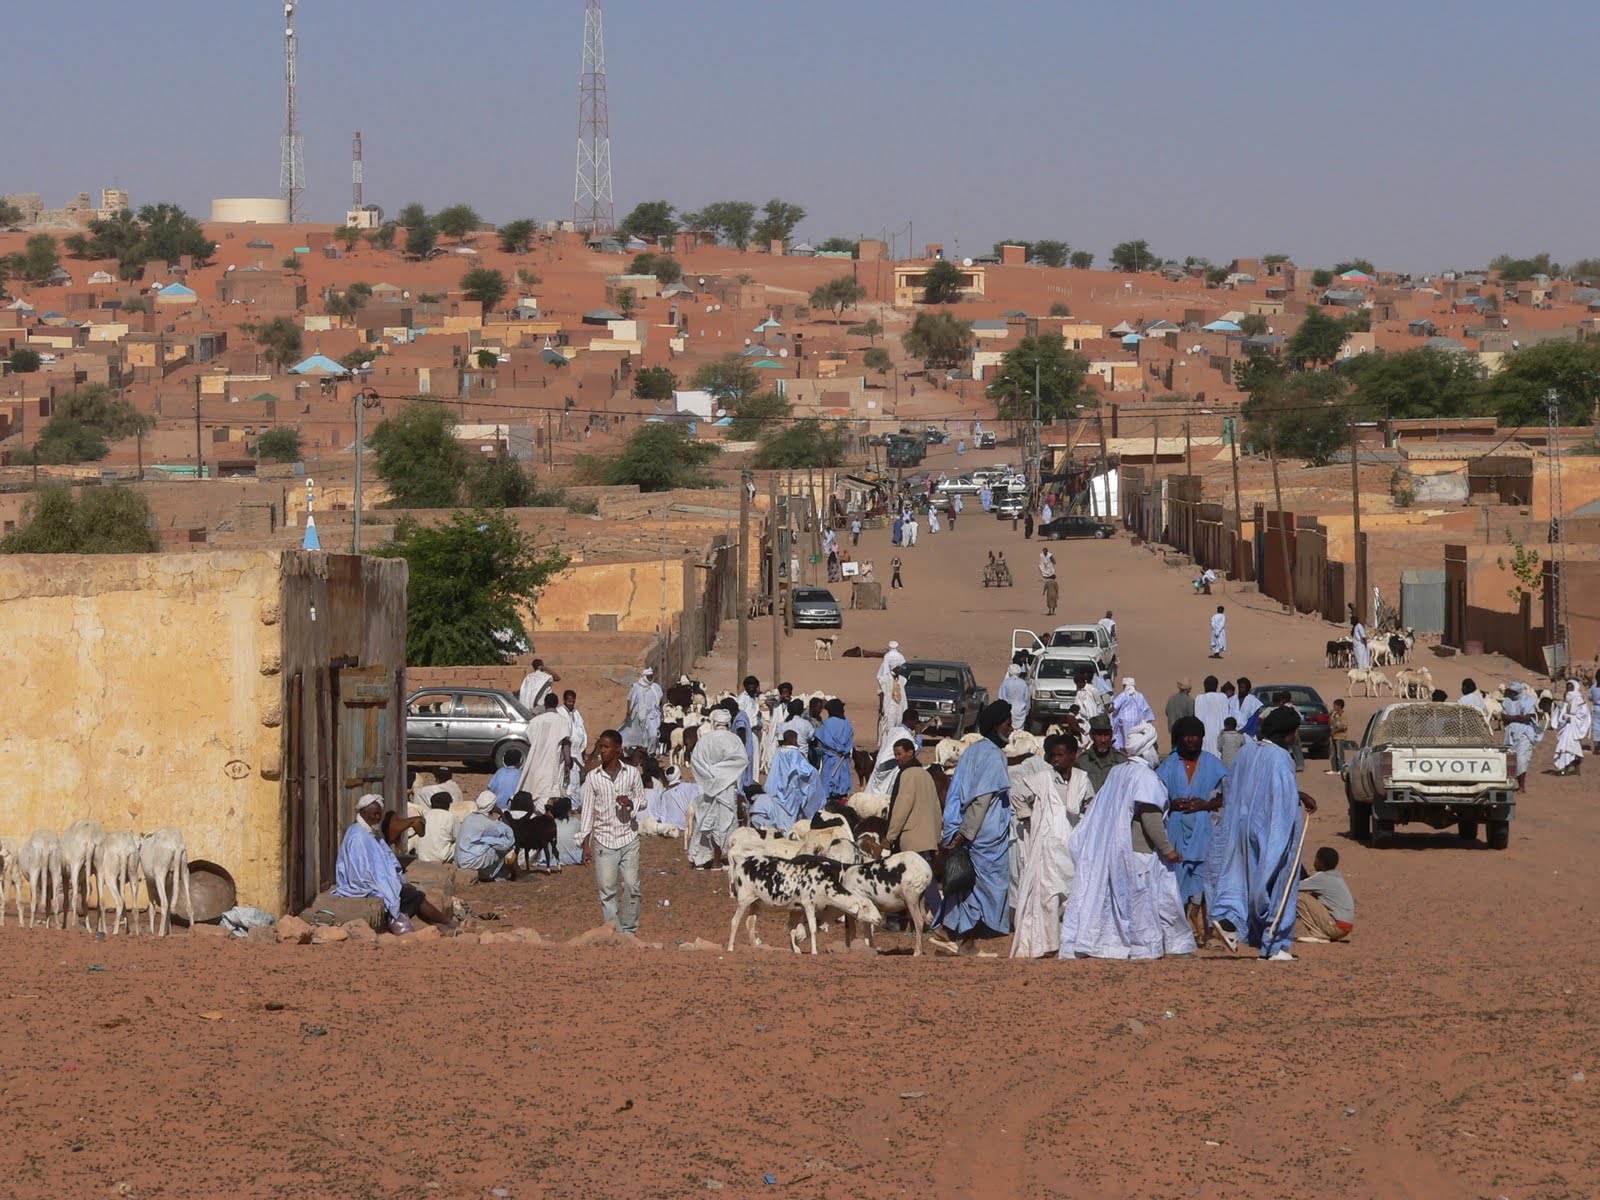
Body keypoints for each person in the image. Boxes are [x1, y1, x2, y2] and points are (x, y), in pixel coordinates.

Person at [1058, 748, 1197, 961]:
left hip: (1116, 849)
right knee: (1143, 901)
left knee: (1121, 901)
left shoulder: (1118, 771)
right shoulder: (1145, 777)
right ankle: (1145, 948)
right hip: (1139, 850)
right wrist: (1168, 849)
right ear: (1147, 749)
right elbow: (1151, 819)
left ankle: (1118, 945)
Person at [1207, 707, 1313, 961]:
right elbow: (1282, 797)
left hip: (1239, 828)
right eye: (1295, 731)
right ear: (1287, 733)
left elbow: (1232, 786)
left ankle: (1231, 920)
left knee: (1241, 877)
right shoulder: (1281, 758)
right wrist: (1287, 831)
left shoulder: (1246, 752)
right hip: (1270, 828)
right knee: (1278, 880)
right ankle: (1275, 944)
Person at [931, 701, 1015, 955]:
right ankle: (959, 937)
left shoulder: (973, 751)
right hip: (984, 837)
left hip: (972, 833)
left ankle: (951, 935)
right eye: (1008, 724)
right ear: (996, 726)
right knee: (985, 889)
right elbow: (981, 800)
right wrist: (964, 835)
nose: (1012, 730)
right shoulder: (992, 755)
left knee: (968, 886)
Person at [1011, 733, 1093, 958]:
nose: (1056, 759)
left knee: (1072, 897)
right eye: (1053, 755)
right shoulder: (1042, 779)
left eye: (1061, 755)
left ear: (1073, 756)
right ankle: (1049, 944)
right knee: (1048, 898)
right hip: (1047, 847)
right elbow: (1018, 796)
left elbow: (1090, 806)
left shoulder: (1082, 779)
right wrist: (1030, 819)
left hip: (1073, 847)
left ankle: (1070, 942)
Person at [333, 794, 452, 935]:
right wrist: (387, 884)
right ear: (363, 813)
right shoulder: (358, 836)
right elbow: (360, 872)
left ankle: (442, 925)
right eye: (374, 814)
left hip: (378, 880)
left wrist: (394, 880)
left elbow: (385, 859)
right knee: (414, 896)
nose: (377, 818)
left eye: (379, 814)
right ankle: (448, 923)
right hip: (365, 884)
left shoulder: (369, 831)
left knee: (411, 893)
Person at [1156, 716, 1227, 943]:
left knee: (1207, 882)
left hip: (1205, 830)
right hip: (1176, 829)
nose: (1191, 740)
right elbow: (1155, 795)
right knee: (1176, 883)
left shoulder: (1213, 763)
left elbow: (1230, 795)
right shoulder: (1168, 764)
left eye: (1195, 735)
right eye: (1186, 735)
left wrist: (1205, 804)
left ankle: (1211, 932)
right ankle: (1181, 933)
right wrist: (1171, 804)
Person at [579, 730, 645, 935]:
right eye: (601, 747)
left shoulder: (632, 773)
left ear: (618, 749)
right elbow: (587, 811)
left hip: (628, 837)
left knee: (632, 886)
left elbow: (643, 801)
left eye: (607, 747)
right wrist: (585, 844)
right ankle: (612, 929)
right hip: (604, 840)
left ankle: (629, 930)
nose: (602, 752)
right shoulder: (593, 778)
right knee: (607, 890)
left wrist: (631, 802)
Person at [687, 706, 747, 868]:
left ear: (714, 722)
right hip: (726, 789)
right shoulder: (735, 740)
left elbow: (696, 763)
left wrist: (712, 775)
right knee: (724, 823)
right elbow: (741, 761)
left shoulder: (704, 741)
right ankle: (717, 861)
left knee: (707, 821)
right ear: (728, 723)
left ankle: (702, 859)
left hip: (709, 787)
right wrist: (723, 776)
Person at [751, 730, 824, 829]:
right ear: (793, 740)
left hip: (777, 791)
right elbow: (806, 772)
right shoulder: (794, 754)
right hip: (792, 794)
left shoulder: (779, 752)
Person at [517, 692, 572, 810]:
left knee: (536, 789)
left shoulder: (536, 721)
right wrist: (568, 762)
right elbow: (566, 743)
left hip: (536, 762)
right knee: (550, 790)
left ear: (545, 704)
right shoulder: (562, 721)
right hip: (552, 763)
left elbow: (528, 739)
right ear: (557, 704)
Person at [1296, 847, 1356, 943]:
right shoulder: (1336, 876)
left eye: (1316, 858)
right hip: (1344, 928)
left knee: (1299, 896)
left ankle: (1317, 934)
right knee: (1310, 896)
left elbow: (1295, 887)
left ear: (1321, 862)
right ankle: (1323, 933)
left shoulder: (1321, 878)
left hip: (1336, 927)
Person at [455, 791, 517, 881]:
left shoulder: (469, 818)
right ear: (492, 806)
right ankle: (512, 874)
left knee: (491, 842)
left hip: (460, 859)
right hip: (471, 861)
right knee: (508, 847)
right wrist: (501, 813)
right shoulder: (487, 823)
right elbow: (510, 836)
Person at [866, 711, 922, 794]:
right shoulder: (904, 734)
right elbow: (914, 752)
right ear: (910, 721)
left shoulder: (894, 730)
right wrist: (919, 735)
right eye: (916, 722)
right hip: (890, 769)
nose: (916, 724)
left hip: (881, 767)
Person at [816, 698, 856, 803]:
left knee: (827, 786)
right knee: (842, 788)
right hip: (843, 761)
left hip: (830, 761)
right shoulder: (847, 724)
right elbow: (849, 742)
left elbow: (821, 740)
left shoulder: (826, 724)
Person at [1501, 681, 1538, 791]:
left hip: (1524, 734)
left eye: (1514, 692)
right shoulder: (1507, 702)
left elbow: (1528, 717)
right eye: (1511, 692)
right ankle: (1511, 784)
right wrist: (1517, 717)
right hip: (1510, 733)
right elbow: (1503, 716)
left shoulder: (1528, 701)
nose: (1512, 694)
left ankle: (1522, 786)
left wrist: (1511, 718)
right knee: (1511, 759)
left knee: (1521, 760)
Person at [1078, 714, 1127, 791]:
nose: (1103, 740)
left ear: (1111, 735)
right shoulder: (1082, 762)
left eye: (1106, 735)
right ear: (1091, 736)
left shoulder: (1121, 761)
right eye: (1099, 735)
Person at [620, 667, 664, 752]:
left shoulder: (655, 687)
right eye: (648, 676)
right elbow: (629, 699)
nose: (650, 678)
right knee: (638, 735)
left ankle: (651, 752)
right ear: (644, 676)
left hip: (653, 715)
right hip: (639, 715)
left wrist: (661, 712)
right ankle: (641, 752)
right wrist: (628, 710)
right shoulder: (636, 687)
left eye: (651, 676)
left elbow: (660, 700)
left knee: (653, 735)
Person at [1552, 679, 1589, 776]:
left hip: (1574, 727)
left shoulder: (1579, 699)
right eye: (1567, 688)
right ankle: (1567, 768)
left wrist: (1572, 717)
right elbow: (1563, 711)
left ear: (1575, 687)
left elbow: (1583, 713)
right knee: (1564, 747)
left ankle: (1574, 768)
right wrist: (1563, 716)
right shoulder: (1567, 699)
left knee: (1573, 748)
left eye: (1570, 688)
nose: (1568, 690)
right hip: (1566, 726)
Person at [412, 792, 461, 865]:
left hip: (422, 857)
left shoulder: (426, 815)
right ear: (448, 805)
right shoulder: (450, 816)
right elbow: (459, 837)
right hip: (441, 858)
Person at [649, 764, 700, 832]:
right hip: (689, 825)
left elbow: (662, 815)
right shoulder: (689, 786)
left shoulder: (664, 795)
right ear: (680, 775)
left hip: (672, 828)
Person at [1111, 677, 1155, 753]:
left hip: (1125, 720)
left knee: (1124, 737)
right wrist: (1147, 720)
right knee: (1135, 736)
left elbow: (1115, 705)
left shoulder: (1124, 695)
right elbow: (1145, 709)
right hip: (1137, 720)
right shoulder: (1140, 695)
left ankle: (1126, 751)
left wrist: (1107, 712)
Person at [1194, 675, 1228, 758]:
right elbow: (1226, 715)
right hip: (1220, 733)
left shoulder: (1199, 698)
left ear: (1205, 686)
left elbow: (1197, 718)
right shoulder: (1223, 697)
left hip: (1205, 735)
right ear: (1216, 686)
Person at [879, 664, 908, 751]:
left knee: (898, 727)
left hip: (899, 706)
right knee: (889, 728)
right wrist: (882, 708)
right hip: (890, 705)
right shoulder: (885, 679)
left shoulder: (902, 680)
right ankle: (886, 748)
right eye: (897, 668)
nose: (899, 669)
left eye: (899, 668)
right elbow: (881, 693)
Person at [999, 663, 1031, 731]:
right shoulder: (1023, 683)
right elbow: (1027, 699)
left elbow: (1001, 698)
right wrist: (1026, 711)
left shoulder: (1005, 683)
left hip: (1009, 711)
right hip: (1020, 712)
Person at [1327, 699, 1349, 775]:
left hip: (1340, 736)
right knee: (1333, 754)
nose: (1334, 707)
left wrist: (1335, 731)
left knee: (1340, 754)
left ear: (1339, 706)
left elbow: (1344, 726)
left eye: (1335, 705)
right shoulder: (1334, 714)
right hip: (1333, 736)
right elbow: (1330, 723)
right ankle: (1334, 769)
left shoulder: (1343, 715)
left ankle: (1341, 769)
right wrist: (1330, 715)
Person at [1039, 548, 1058, 616]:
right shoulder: (1054, 582)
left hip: (1049, 593)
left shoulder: (1050, 555)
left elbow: (1045, 587)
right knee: (1053, 602)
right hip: (1053, 594)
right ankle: (1052, 611)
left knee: (1049, 602)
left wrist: (1043, 592)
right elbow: (1057, 589)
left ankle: (1050, 611)